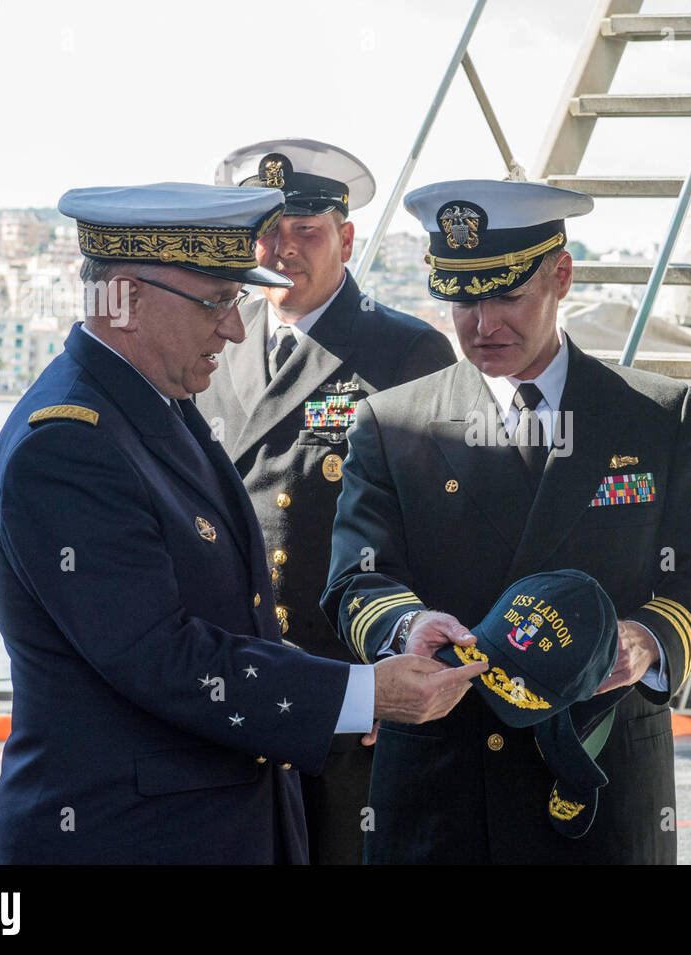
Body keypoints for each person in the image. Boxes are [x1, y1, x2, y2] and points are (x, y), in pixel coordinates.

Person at [0, 182, 482, 864]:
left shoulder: (156, 404)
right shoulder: (68, 445)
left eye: (235, 301)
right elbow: (162, 657)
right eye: (216, 301)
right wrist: (362, 692)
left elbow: (234, 622)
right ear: (122, 299)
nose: (236, 327)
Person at [320, 179, 691, 863]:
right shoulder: (391, 424)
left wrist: (643, 640)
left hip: (600, 792)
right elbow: (355, 583)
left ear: (562, 276)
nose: (482, 325)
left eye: (506, 294)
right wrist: (406, 626)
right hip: (444, 796)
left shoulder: (661, 417)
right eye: (462, 299)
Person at [197, 140, 456, 863]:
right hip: (239, 685)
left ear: (346, 237)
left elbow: (435, 534)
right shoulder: (215, 339)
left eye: (305, 230)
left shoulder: (405, 355)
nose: (281, 249)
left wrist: (400, 662)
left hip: (348, 688)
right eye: (267, 230)